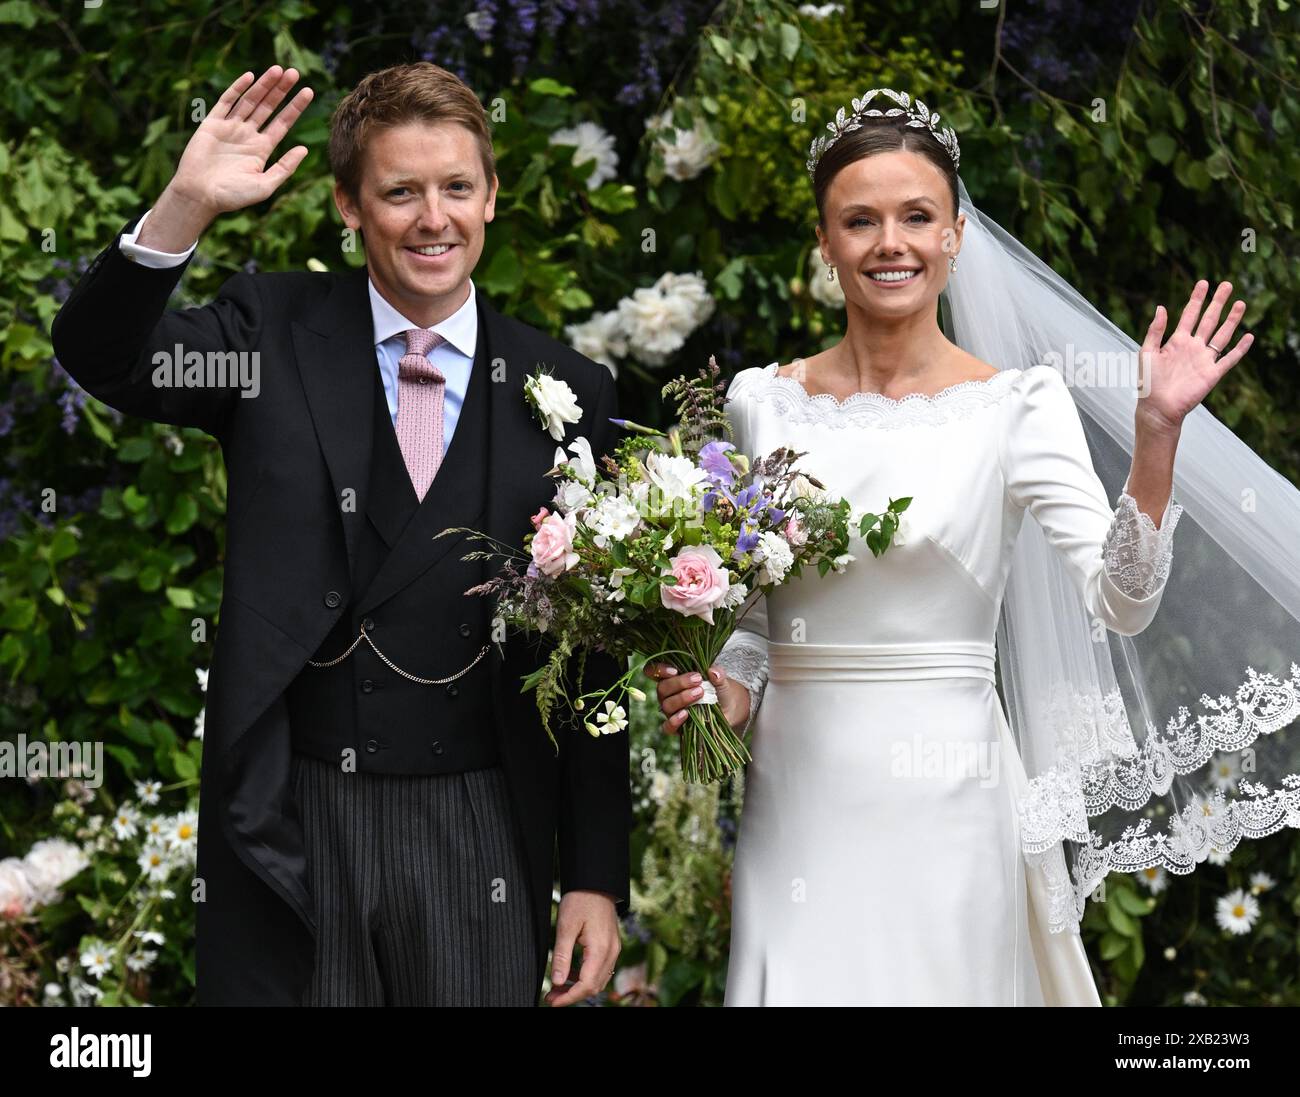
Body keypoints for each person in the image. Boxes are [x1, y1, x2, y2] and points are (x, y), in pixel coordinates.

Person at [644, 88, 1293, 1006]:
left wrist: (1155, 437)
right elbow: (754, 623)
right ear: (825, 243)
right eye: (859, 220)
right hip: (797, 797)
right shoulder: (759, 402)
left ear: (955, 234)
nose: (890, 243)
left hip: (950, 795)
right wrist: (720, 692)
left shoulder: (1015, 406)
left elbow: (1122, 601)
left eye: (917, 216)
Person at [51, 62, 629, 1006]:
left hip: (480, 821)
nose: (432, 218)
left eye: (455, 188)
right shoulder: (268, 331)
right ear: (349, 205)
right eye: (400, 192)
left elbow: (594, 657)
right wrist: (185, 205)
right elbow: (101, 354)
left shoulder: (570, 392)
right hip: (299, 817)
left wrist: (597, 875)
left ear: (491, 194)